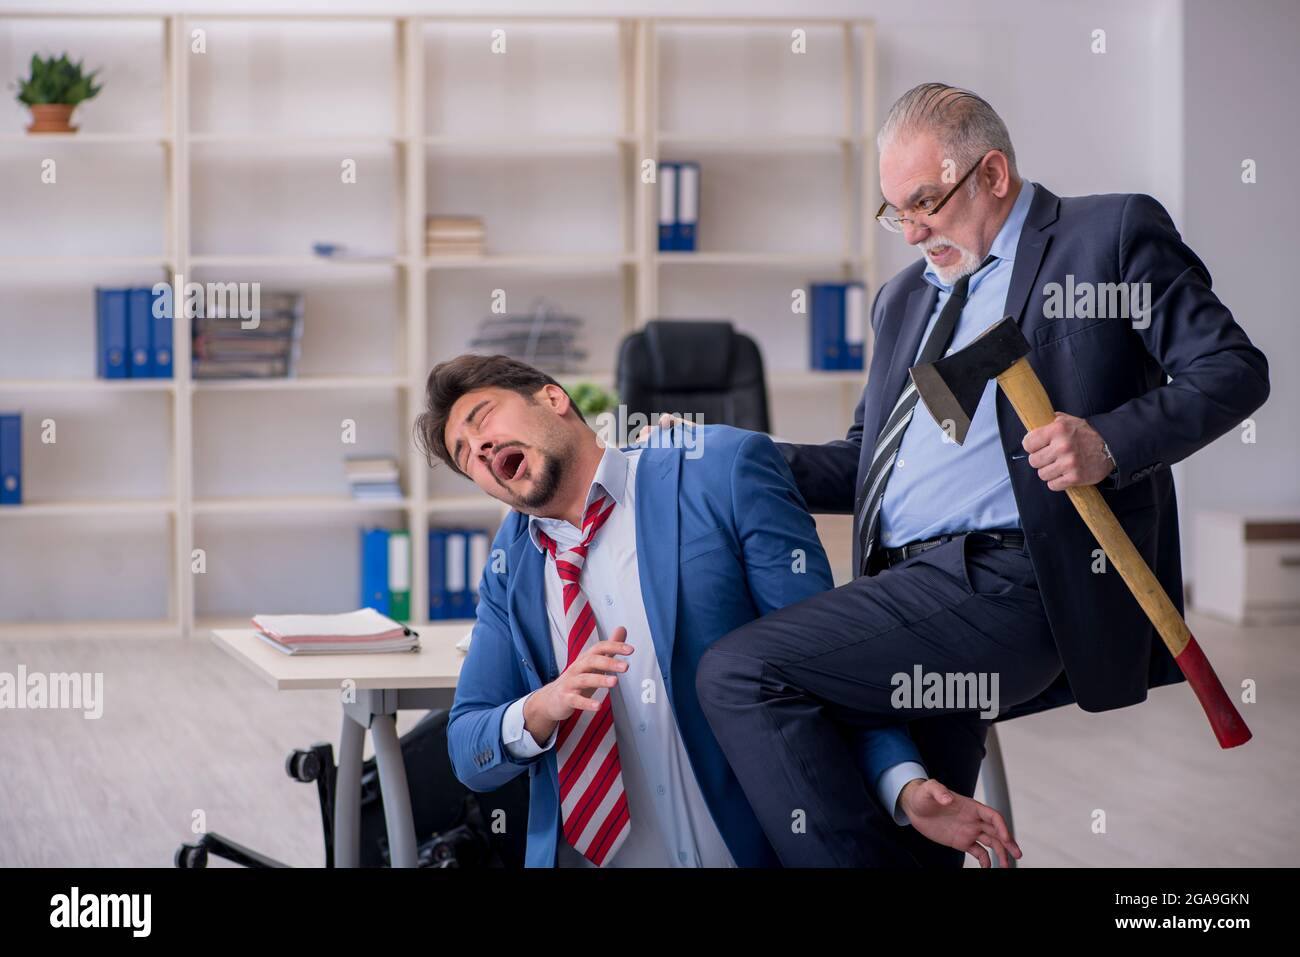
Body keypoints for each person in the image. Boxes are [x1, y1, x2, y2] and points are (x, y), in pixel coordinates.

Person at [684, 82, 1270, 867]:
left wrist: (1106, 441)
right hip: (902, 592)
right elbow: (866, 464)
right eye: (896, 211)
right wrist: (727, 455)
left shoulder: (1107, 236)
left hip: (1015, 581)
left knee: (740, 671)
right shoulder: (902, 301)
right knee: (909, 815)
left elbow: (1232, 369)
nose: (912, 231)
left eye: (926, 201)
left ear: (992, 173)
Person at [415, 354, 1018, 867]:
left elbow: (831, 662)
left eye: (482, 418)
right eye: (464, 455)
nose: (481, 448)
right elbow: (469, 750)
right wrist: (540, 707)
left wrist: (902, 783)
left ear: (553, 398)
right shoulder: (510, 566)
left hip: (747, 847)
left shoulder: (721, 470)